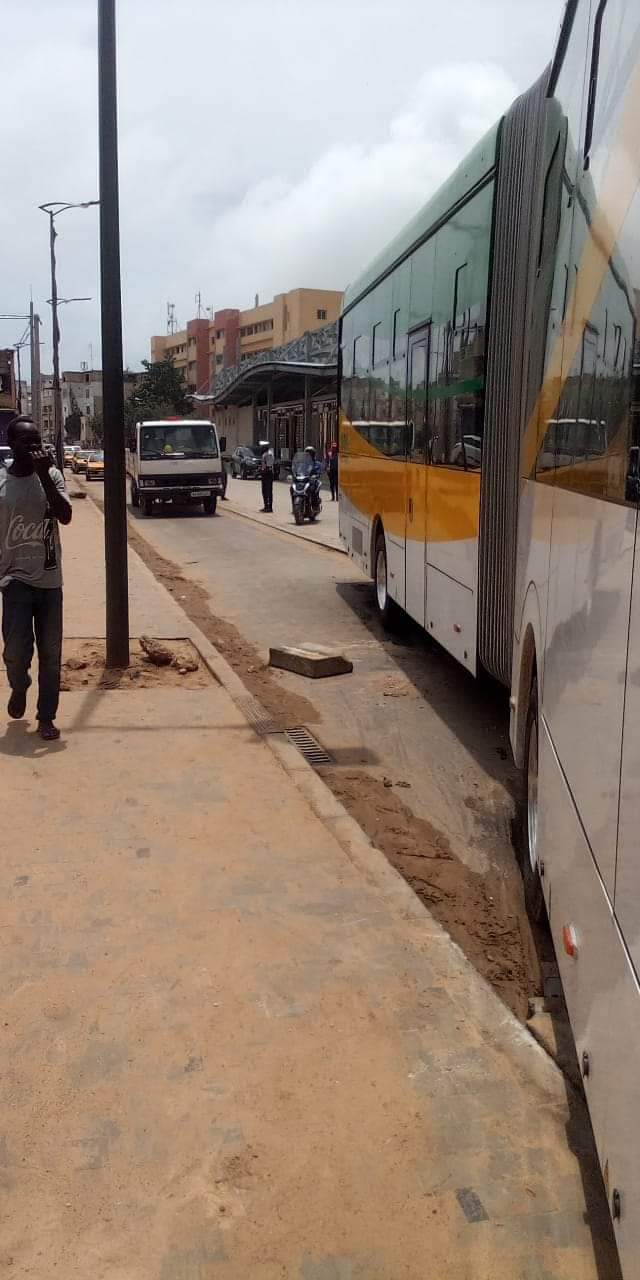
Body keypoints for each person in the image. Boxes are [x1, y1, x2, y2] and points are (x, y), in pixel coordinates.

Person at [0, 416, 72, 741]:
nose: (33, 447)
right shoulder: (2, 481)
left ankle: (46, 716)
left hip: (50, 581)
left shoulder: (52, 476)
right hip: (14, 580)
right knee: (15, 652)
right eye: (26, 442)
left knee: (51, 654)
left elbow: (65, 516)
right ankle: (19, 685)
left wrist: (44, 475)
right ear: (11, 444)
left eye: (37, 441)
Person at [260, 440, 275, 513]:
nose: (261, 448)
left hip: (268, 474)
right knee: (264, 491)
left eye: (262, 447)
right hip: (265, 474)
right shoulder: (264, 454)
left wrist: (264, 470)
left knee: (268, 491)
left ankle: (269, 507)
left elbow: (269, 466)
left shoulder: (268, 454)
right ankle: (266, 506)